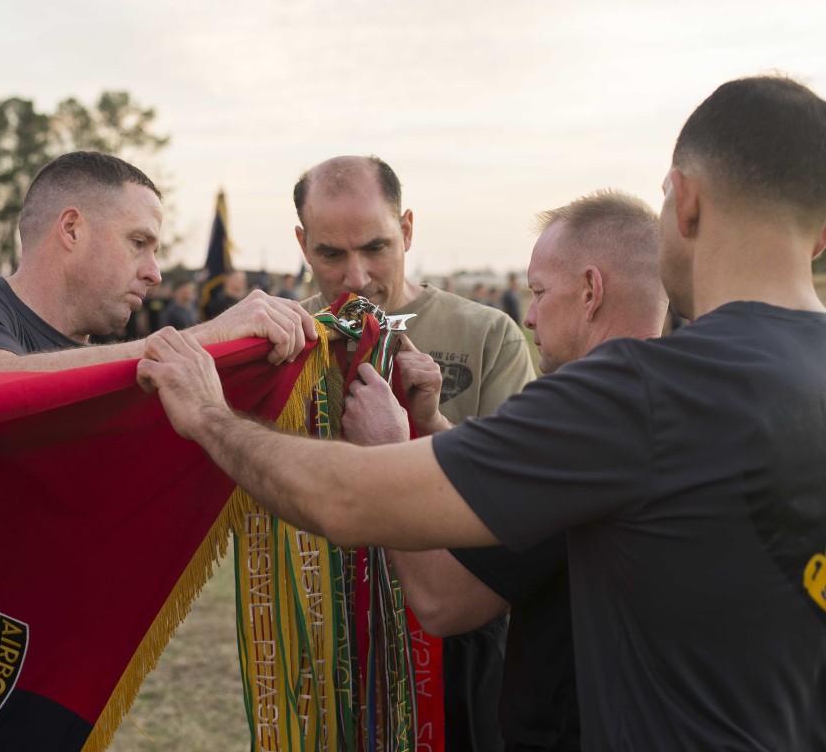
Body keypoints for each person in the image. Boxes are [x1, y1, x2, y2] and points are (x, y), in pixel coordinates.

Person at [137, 75, 826, 751]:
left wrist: (207, 414)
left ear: (687, 201)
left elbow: (362, 517)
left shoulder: (637, 392)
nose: (527, 313)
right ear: (819, 232)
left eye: (539, 291)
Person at [371, 190, 668, 752]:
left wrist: (384, 444)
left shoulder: (582, 417)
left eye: (538, 292)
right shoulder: (679, 396)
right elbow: (525, 495)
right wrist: (433, 422)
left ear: (590, 290)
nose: (528, 314)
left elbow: (442, 602)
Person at [292, 154, 536, 752]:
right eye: (330, 254)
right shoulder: (285, 339)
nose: (355, 276)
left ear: (406, 229)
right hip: (326, 639)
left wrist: (424, 427)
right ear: (302, 244)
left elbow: (517, 501)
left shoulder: (486, 335)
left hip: (454, 642)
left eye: (376, 246)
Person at [0, 151, 315, 393]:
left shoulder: (98, 350)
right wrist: (203, 338)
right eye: (138, 243)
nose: (155, 273)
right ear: (71, 229)